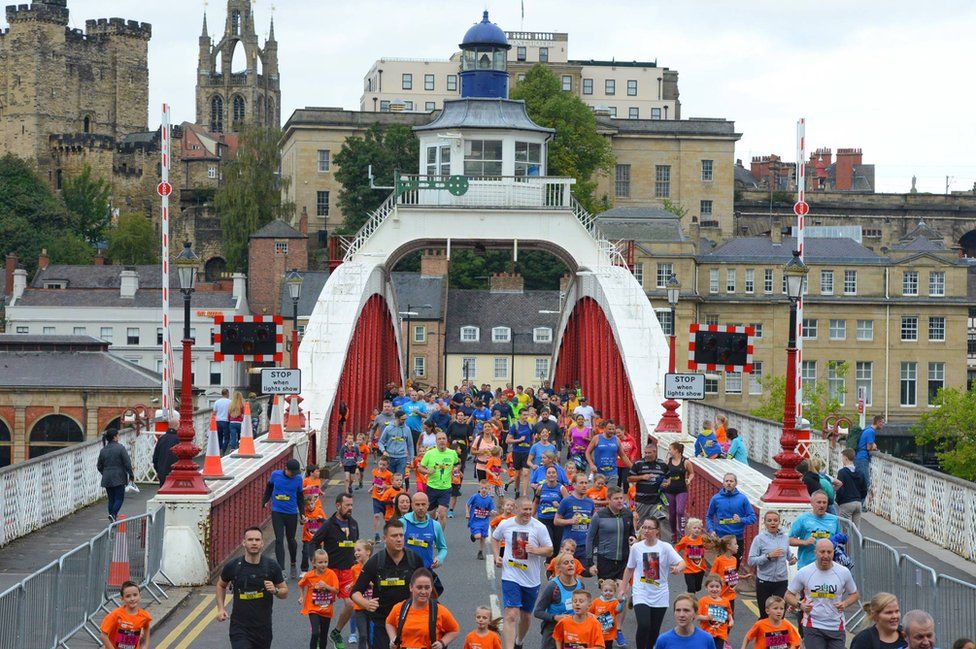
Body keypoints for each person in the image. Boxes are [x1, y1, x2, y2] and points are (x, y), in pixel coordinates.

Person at [351, 519, 424, 649]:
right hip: (381, 622)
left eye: (401, 535)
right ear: (384, 538)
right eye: (394, 536)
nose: (399, 539)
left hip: (409, 621)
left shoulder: (414, 559)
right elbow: (355, 592)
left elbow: (427, 588)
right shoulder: (375, 562)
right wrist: (366, 604)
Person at [491, 497, 554, 649]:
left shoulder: (539, 527)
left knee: (525, 616)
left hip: (531, 579)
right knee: (511, 614)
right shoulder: (506, 524)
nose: (528, 512)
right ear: (516, 509)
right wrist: (496, 556)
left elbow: (550, 550)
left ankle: (519, 642)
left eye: (530, 509)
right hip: (510, 575)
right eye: (525, 509)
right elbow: (495, 538)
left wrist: (536, 550)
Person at [216, 526, 288, 649]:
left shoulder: (271, 566)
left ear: (262, 543)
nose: (254, 543)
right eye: (250, 540)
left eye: (257, 540)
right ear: (244, 542)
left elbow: (284, 592)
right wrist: (221, 609)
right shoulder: (234, 566)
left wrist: (275, 591)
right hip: (239, 628)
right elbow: (221, 585)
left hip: (263, 629)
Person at [619, 517, 685, 649]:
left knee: (654, 630)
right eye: (644, 527)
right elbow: (629, 568)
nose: (646, 530)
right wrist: (622, 589)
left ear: (657, 531)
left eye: (650, 528)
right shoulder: (637, 547)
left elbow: (682, 562)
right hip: (641, 592)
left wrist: (678, 568)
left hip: (660, 593)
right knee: (644, 625)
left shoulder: (665, 547)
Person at [308, 492, 360, 649]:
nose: (350, 508)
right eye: (347, 505)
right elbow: (314, 542)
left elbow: (356, 545)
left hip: (347, 572)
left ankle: (336, 632)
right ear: (338, 506)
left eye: (351, 505)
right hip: (329, 572)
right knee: (322, 606)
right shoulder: (328, 524)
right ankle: (318, 635)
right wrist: (316, 561)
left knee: (351, 603)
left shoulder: (354, 523)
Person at [785, 539, 859, 649]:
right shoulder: (805, 572)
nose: (826, 555)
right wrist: (800, 605)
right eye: (822, 552)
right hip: (813, 625)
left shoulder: (843, 572)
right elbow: (788, 595)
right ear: (815, 553)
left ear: (833, 553)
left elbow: (855, 594)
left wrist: (845, 603)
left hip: (836, 626)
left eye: (829, 552)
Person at [385, 568, 460, 649]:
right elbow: (389, 623)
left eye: (427, 588)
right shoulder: (399, 608)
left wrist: (442, 643)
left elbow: (454, 630)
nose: (423, 592)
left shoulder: (440, 611)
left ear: (431, 588)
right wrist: (393, 639)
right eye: (419, 587)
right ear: (411, 587)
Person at [262, 458, 303, 579]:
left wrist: (302, 513)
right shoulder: (275, 475)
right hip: (277, 512)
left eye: (295, 473)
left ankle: (293, 563)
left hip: (291, 513)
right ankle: (281, 569)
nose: (293, 475)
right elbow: (269, 488)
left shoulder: (298, 479)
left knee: (291, 540)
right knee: (279, 540)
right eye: (292, 473)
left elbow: (300, 497)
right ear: (286, 469)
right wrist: (265, 500)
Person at [534, 553, 585, 649]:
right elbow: (537, 612)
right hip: (553, 630)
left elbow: (585, 608)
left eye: (572, 562)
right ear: (558, 568)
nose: (570, 565)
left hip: (573, 630)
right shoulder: (553, 587)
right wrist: (556, 617)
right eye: (566, 563)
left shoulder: (580, 586)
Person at [748, 511, 794, 617]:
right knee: (765, 615)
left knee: (780, 615)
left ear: (779, 522)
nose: (772, 523)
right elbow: (751, 561)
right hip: (764, 581)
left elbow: (788, 556)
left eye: (775, 520)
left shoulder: (785, 538)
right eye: (769, 520)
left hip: (781, 581)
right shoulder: (759, 539)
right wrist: (768, 556)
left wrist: (793, 559)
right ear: (765, 523)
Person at [704, 473, 756, 566]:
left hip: (737, 539)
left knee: (734, 568)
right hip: (721, 539)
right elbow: (709, 516)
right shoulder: (716, 498)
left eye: (731, 481)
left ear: (736, 483)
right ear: (723, 483)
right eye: (726, 481)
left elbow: (752, 518)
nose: (729, 483)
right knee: (722, 568)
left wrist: (741, 520)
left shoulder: (742, 498)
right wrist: (711, 530)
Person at [587, 486, 635, 581]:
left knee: (621, 589)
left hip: (624, 561)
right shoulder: (599, 515)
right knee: (607, 590)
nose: (619, 501)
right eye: (616, 499)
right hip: (605, 561)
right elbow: (590, 539)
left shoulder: (628, 514)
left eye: (621, 498)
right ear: (608, 500)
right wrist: (590, 563)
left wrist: (633, 538)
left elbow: (632, 533)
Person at [298, 549, 340, 649]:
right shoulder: (309, 575)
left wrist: (326, 586)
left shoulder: (331, 574)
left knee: (323, 636)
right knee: (315, 633)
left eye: (326, 562)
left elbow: (336, 590)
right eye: (320, 562)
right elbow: (301, 585)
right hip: (313, 609)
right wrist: (301, 596)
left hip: (326, 609)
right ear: (314, 563)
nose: (323, 565)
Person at [788, 491, 840, 569]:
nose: (822, 505)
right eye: (818, 502)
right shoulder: (802, 519)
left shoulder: (834, 519)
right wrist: (805, 542)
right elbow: (789, 540)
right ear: (812, 503)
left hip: (828, 566)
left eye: (824, 502)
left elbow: (839, 540)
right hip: (807, 565)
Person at [555, 473, 596, 569]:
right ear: (573, 485)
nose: (584, 485)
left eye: (586, 483)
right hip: (568, 546)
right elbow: (556, 521)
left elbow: (593, 522)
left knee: (582, 573)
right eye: (581, 483)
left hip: (584, 545)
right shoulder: (566, 501)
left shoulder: (590, 502)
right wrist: (570, 521)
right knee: (566, 572)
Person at [419, 432, 461, 526]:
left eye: (443, 438)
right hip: (431, 487)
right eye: (439, 439)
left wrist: (456, 468)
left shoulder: (452, 453)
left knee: (442, 513)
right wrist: (427, 471)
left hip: (445, 488)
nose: (442, 441)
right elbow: (420, 468)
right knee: (431, 515)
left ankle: (440, 535)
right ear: (436, 441)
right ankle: (432, 530)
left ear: (446, 440)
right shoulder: (429, 453)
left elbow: (457, 463)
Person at [97, 428, 134, 522]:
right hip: (119, 477)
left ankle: (112, 518)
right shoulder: (120, 448)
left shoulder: (103, 450)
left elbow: (99, 466)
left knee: (111, 499)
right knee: (119, 498)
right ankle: (113, 514)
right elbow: (127, 463)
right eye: (118, 435)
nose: (118, 437)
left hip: (107, 477)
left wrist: (105, 473)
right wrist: (131, 474)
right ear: (114, 437)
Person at [100, 581, 151, 649]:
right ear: (122, 598)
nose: (132, 599)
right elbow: (103, 636)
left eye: (135, 595)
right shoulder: (115, 615)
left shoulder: (144, 616)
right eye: (128, 596)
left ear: (140, 595)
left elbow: (146, 627)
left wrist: (145, 645)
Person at [629, 443, 668, 526]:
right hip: (641, 501)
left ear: (655, 452)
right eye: (645, 453)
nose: (646, 455)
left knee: (656, 525)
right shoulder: (638, 463)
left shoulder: (662, 464)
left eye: (649, 453)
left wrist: (666, 483)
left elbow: (668, 478)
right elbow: (629, 478)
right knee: (641, 525)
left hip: (656, 502)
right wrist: (642, 477)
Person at [663, 442, 694, 539]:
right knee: (672, 513)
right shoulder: (667, 461)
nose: (669, 451)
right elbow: (663, 474)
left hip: (681, 490)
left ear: (676, 450)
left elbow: (692, 473)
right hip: (670, 490)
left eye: (670, 449)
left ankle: (682, 532)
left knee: (680, 511)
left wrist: (689, 480)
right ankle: (673, 533)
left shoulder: (685, 462)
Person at [535, 465, 570, 548]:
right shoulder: (540, 488)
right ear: (546, 475)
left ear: (557, 475)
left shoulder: (562, 488)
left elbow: (568, 506)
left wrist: (559, 506)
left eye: (553, 473)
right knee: (548, 544)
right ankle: (548, 557)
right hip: (544, 519)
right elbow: (536, 502)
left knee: (557, 545)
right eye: (549, 473)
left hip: (557, 520)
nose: (551, 474)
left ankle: (553, 556)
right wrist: (531, 515)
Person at [697, 574, 734, 649]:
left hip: (721, 633)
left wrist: (731, 621)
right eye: (711, 586)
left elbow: (729, 613)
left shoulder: (725, 601)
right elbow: (696, 616)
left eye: (717, 586)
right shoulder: (703, 601)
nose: (714, 589)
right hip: (706, 633)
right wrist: (706, 618)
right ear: (706, 588)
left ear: (721, 588)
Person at [674, 518, 708, 594]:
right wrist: (675, 559)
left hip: (700, 569)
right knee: (691, 589)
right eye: (694, 528)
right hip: (688, 569)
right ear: (689, 529)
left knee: (698, 588)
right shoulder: (685, 540)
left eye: (699, 528)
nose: (697, 530)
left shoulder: (702, 539)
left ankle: (689, 594)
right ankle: (690, 598)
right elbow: (677, 548)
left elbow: (708, 546)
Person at [591, 578, 626, 649]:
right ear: (601, 591)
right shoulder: (596, 601)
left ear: (614, 592)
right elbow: (589, 612)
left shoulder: (614, 601)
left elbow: (619, 610)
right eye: (606, 590)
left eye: (611, 591)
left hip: (609, 631)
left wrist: (622, 602)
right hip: (598, 630)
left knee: (608, 646)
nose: (608, 593)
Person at [379, 410, 415, 478]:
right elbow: (380, 442)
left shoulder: (407, 429)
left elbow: (410, 445)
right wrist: (383, 451)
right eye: (402, 419)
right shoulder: (388, 428)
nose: (404, 421)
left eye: (405, 419)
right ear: (396, 418)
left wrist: (412, 459)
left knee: (399, 479)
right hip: (389, 457)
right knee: (389, 479)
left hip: (402, 458)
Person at [836, 449, 867, 528]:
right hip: (858, 503)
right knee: (856, 530)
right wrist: (859, 498)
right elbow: (864, 489)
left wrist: (838, 500)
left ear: (846, 458)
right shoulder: (860, 473)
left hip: (846, 502)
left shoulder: (842, 472)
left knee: (844, 529)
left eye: (842, 457)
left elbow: (840, 488)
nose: (842, 459)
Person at [507, 410, 535, 496]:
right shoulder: (515, 426)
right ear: (519, 415)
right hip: (517, 452)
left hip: (527, 452)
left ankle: (524, 494)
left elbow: (532, 438)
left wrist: (532, 449)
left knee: (526, 473)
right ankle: (517, 490)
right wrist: (518, 440)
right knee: (518, 474)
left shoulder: (530, 426)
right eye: (524, 415)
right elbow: (508, 440)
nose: (526, 416)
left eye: (527, 414)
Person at [467, 480, 496, 559]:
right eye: (482, 488)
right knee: (478, 536)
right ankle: (474, 535)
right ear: (479, 489)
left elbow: (491, 508)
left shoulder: (489, 499)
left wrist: (493, 512)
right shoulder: (475, 497)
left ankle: (480, 552)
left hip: (484, 521)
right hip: (475, 520)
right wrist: (467, 513)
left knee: (483, 537)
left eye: (486, 488)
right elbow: (468, 504)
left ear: (489, 489)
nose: (484, 490)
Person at [856, 414, 883, 497]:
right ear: (878, 422)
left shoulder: (867, 429)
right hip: (862, 458)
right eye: (882, 422)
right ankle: (860, 502)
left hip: (858, 457)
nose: (883, 425)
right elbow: (868, 447)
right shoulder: (871, 431)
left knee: (860, 481)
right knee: (865, 482)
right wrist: (874, 447)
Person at [710, 535, 739, 613]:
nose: (738, 546)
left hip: (731, 595)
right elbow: (711, 576)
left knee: (730, 618)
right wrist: (720, 580)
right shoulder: (719, 560)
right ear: (728, 546)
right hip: (720, 596)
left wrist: (736, 584)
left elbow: (733, 576)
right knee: (718, 619)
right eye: (735, 544)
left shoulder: (734, 559)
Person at [301, 495, 327, 575]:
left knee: (317, 554)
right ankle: (304, 570)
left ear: (314, 503)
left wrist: (320, 519)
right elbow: (301, 521)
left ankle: (316, 569)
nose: (310, 506)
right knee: (306, 553)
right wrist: (303, 520)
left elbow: (326, 521)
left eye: (312, 504)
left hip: (317, 538)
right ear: (306, 506)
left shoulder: (319, 510)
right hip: (307, 537)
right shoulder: (304, 512)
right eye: (308, 505)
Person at [152, 415, 180, 487]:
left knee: (163, 491)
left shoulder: (161, 439)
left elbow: (155, 457)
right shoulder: (179, 439)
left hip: (162, 472)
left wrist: (158, 471)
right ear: (177, 426)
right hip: (176, 473)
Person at [214, 388, 232, 452]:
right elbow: (231, 412)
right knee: (227, 438)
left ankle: (219, 449)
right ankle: (223, 450)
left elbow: (214, 413)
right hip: (226, 421)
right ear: (227, 393)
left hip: (218, 421)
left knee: (219, 437)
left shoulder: (217, 402)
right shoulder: (230, 402)